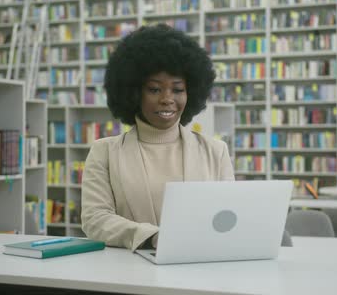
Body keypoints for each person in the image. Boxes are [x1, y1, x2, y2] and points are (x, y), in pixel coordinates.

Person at [81, 24, 235, 251]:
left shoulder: (215, 151)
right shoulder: (104, 152)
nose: (167, 99)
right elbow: (95, 219)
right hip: (128, 274)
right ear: (133, 92)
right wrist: (151, 237)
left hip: (199, 268)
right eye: (154, 90)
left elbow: (229, 217)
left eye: (177, 89)